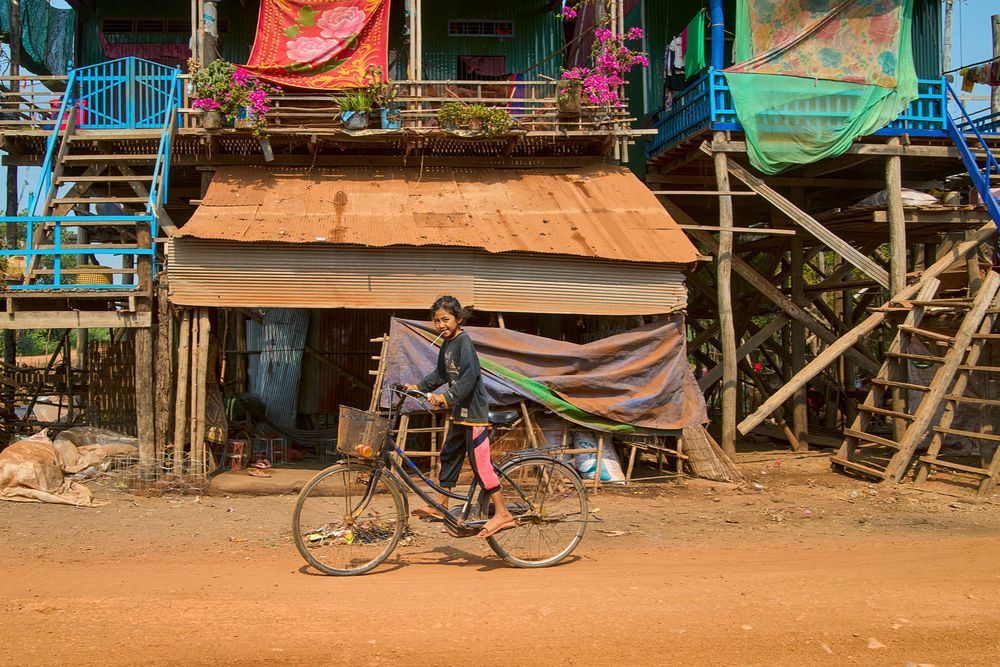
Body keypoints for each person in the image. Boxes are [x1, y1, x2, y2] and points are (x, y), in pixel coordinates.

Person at [406, 296, 516, 539]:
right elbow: (440, 373)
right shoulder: (448, 343)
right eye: (436, 321)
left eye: (445, 319)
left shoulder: (464, 342)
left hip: (474, 414)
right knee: (450, 456)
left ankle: (502, 513)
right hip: (460, 414)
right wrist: (419, 387)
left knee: (480, 465)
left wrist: (446, 398)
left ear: (458, 319)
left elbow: (468, 378)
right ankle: (442, 505)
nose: (441, 325)